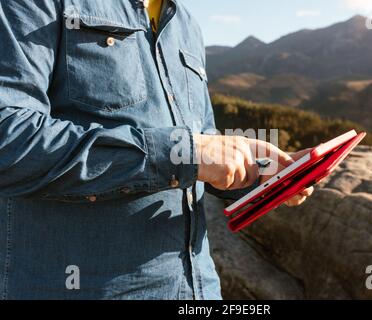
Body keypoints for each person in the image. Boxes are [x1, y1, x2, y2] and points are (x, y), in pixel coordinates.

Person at [0, 0, 313, 300]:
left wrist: (257, 171)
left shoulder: (186, 23)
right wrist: (182, 152)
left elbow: (199, 141)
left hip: (198, 289)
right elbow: (9, 140)